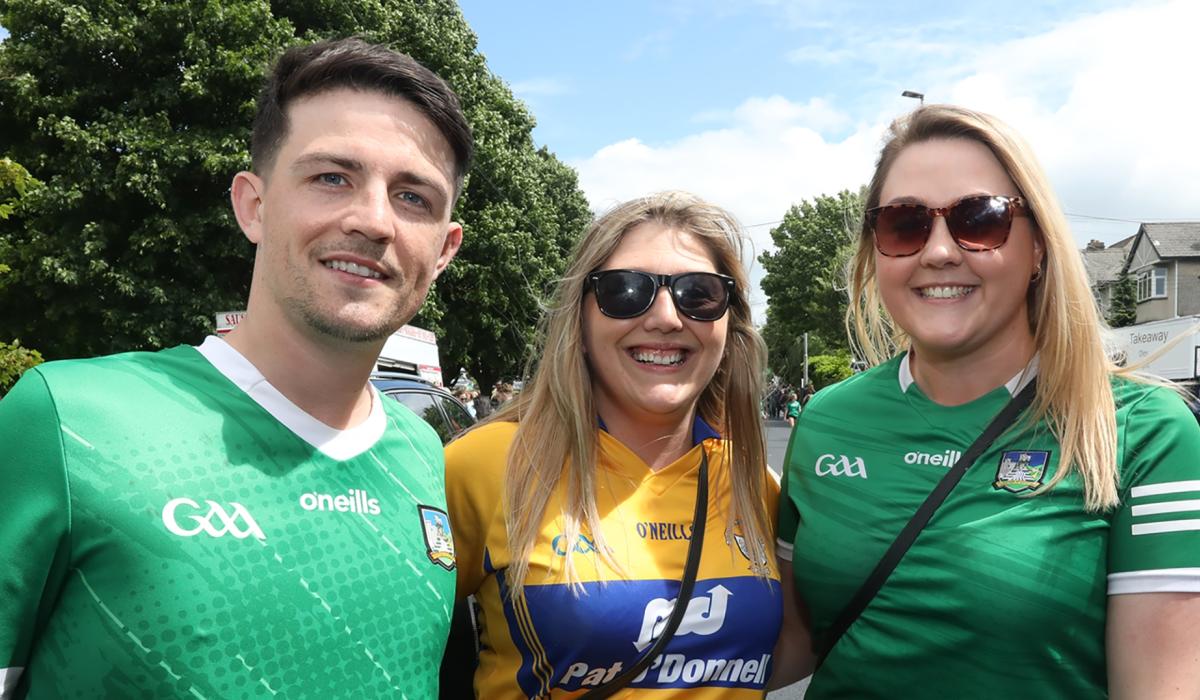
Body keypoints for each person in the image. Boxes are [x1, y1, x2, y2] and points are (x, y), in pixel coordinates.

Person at [0, 37, 471, 698]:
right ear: (252, 205)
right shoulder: (65, 422)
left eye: (413, 198)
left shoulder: (423, 454)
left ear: (444, 250)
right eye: (332, 177)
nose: (372, 220)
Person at [771, 104, 1200, 697]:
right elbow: (793, 639)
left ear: (1040, 248)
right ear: (876, 252)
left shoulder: (1143, 430)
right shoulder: (826, 419)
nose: (940, 251)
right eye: (905, 224)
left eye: (981, 219)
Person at [445, 191, 782, 697]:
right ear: (578, 322)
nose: (667, 317)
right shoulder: (485, 465)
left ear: (728, 325)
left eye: (701, 293)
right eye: (625, 291)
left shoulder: (755, 480)